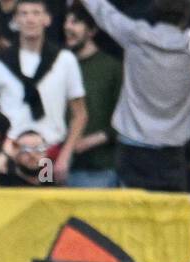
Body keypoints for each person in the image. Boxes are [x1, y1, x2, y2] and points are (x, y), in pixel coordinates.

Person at [78, 0, 190, 191]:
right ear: (187, 16)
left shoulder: (136, 35)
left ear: (154, 10)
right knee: (169, 216)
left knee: (130, 216)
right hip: (171, 150)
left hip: (133, 147)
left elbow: (103, 12)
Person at [0, 0, 87, 183]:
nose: (30, 19)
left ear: (47, 19)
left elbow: (80, 114)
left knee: (46, 207)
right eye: (24, 14)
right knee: (9, 208)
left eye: (36, 13)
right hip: (10, 151)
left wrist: (65, 157)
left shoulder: (65, 59)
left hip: (49, 152)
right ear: (15, 20)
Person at [63, 2, 121, 188]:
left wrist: (92, 140)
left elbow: (125, 119)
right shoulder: (55, 63)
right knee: (43, 213)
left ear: (92, 30)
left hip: (96, 167)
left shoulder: (112, 68)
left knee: (88, 218)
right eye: (66, 22)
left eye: (76, 22)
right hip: (50, 161)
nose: (68, 27)